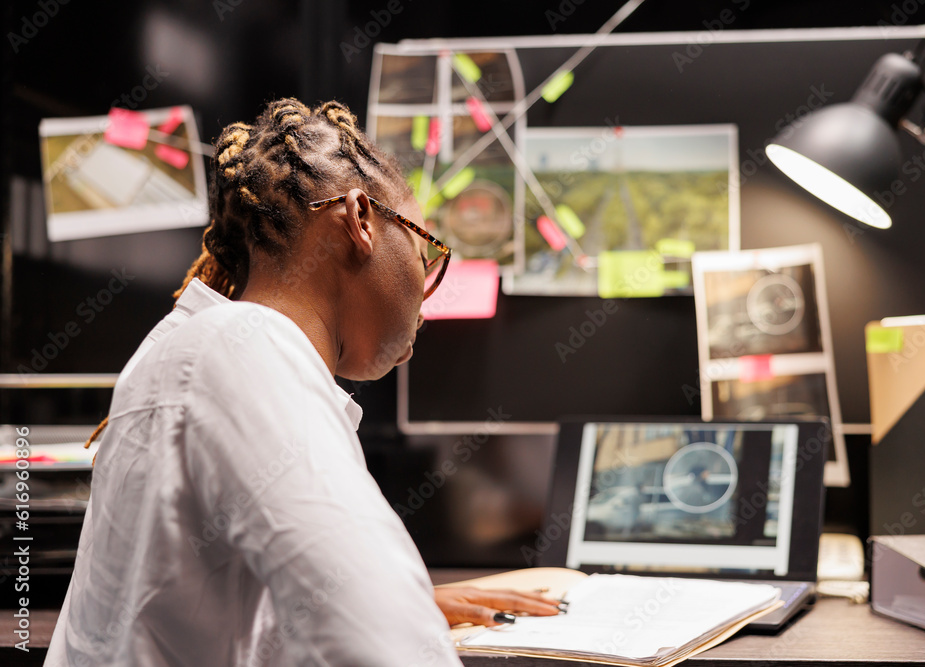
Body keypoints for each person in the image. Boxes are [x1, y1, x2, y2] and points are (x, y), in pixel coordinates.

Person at [44, 98, 559, 666]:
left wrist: (414, 602)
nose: (425, 299)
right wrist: (391, 611)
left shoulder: (199, 344)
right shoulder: (245, 348)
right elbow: (383, 650)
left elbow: (200, 615)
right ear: (361, 220)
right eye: (422, 249)